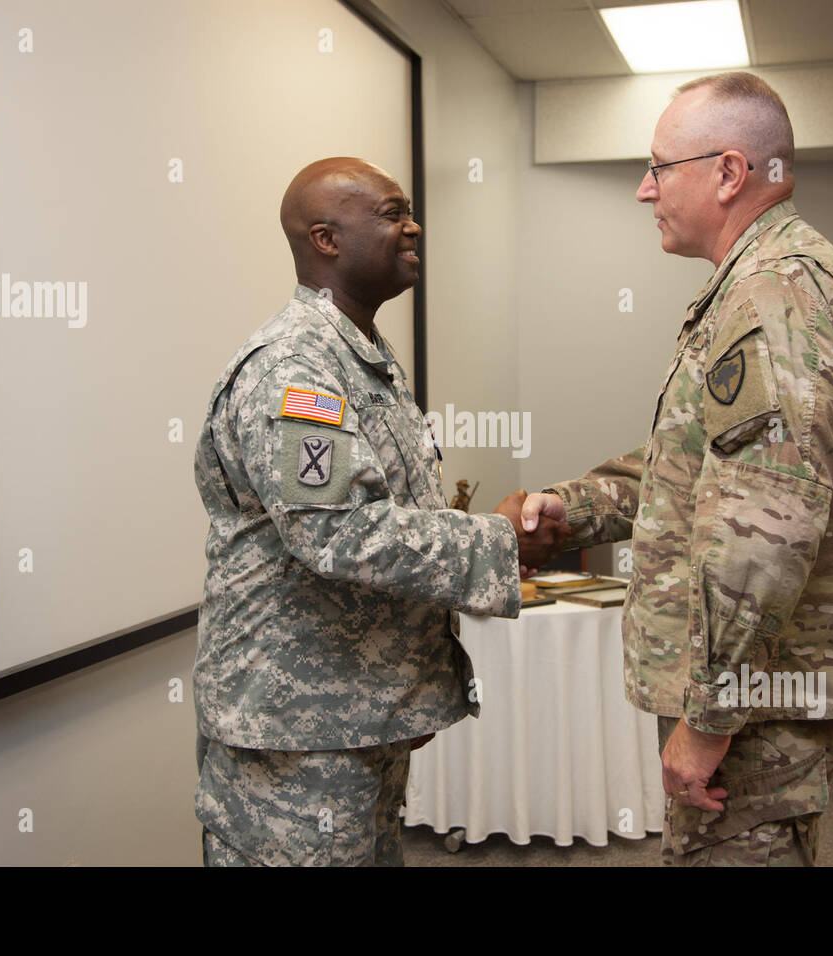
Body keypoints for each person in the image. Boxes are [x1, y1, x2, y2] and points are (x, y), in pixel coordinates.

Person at [520, 72, 833, 866]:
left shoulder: (771, 296)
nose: (643, 189)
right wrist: (570, 507)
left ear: (727, 173)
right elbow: (688, 468)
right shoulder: (756, 285)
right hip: (756, 689)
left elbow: (769, 532)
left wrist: (711, 717)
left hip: (756, 705)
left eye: (660, 167)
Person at [192, 157, 565, 866]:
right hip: (297, 731)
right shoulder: (293, 367)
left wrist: (408, 686)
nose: (413, 225)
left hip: (352, 711)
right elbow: (340, 532)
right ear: (326, 240)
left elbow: (394, 513)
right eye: (393, 213)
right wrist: (500, 539)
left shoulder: (361, 355)